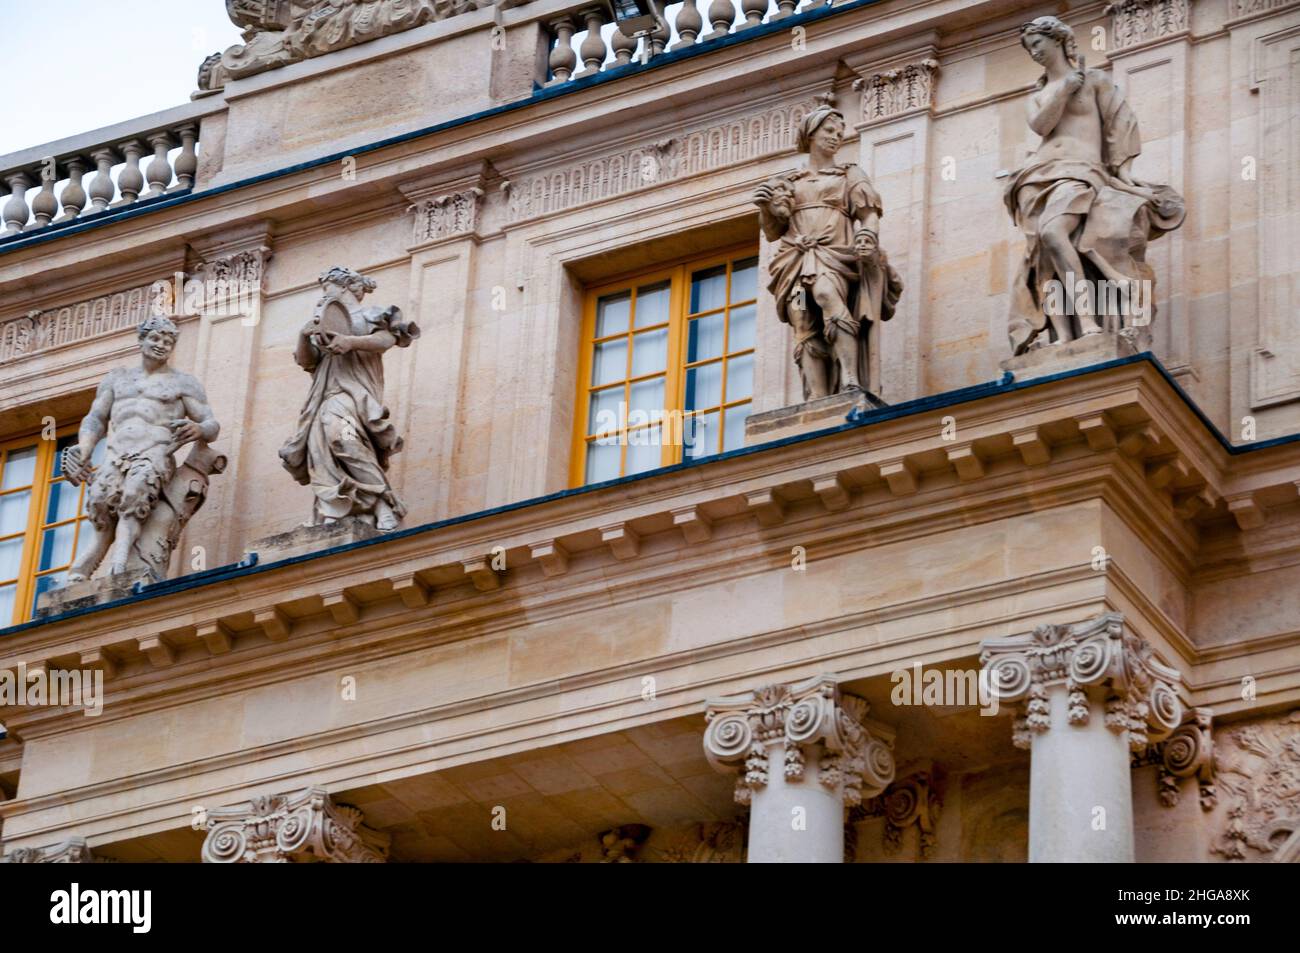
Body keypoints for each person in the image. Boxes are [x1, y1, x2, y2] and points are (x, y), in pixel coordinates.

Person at [1005, 16, 1185, 353]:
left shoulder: (1095, 81)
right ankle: (1067, 333)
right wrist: (1064, 91)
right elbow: (1042, 126)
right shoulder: (1040, 94)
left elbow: (1120, 123)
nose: (1034, 53)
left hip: (1082, 171)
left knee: (1053, 233)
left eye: (1037, 44)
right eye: (1029, 49)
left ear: (1057, 39)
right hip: (1036, 178)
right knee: (1044, 258)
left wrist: (1124, 172)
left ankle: (1088, 320)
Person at [753, 103, 902, 401]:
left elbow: (869, 214)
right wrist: (766, 208)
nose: (836, 137)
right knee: (802, 315)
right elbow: (772, 231)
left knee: (825, 295)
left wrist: (867, 235)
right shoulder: (789, 183)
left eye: (839, 133)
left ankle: (850, 379)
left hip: (831, 255)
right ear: (810, 134)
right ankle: (817, 395)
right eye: (829, 131)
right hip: (796, 261)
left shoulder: (849, 174)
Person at [64, 316, 220, 580]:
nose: (161, 345)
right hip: (116, 453)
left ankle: (120, 561)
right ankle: (90, 561)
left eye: (167, 342)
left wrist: (199, 430)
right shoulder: (117, 378)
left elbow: (211, 424)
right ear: (141, 340)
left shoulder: (183, 383)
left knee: (134, 496)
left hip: (155, 452)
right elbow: (96, 418)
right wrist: (85, 448)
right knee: (100, 502)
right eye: (155, 339)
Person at [279, 266, 419, 531]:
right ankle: (335, 508)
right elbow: (307, 361)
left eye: (327, 288)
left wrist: (351, 342)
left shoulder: (370, 315)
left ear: (344, 287)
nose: (324, 294)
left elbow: (385, 340)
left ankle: (383, 502)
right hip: (323, 397)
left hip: (354, 394)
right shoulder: (326, 322)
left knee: (341, 437)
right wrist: (303, 336)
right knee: (321, 452)